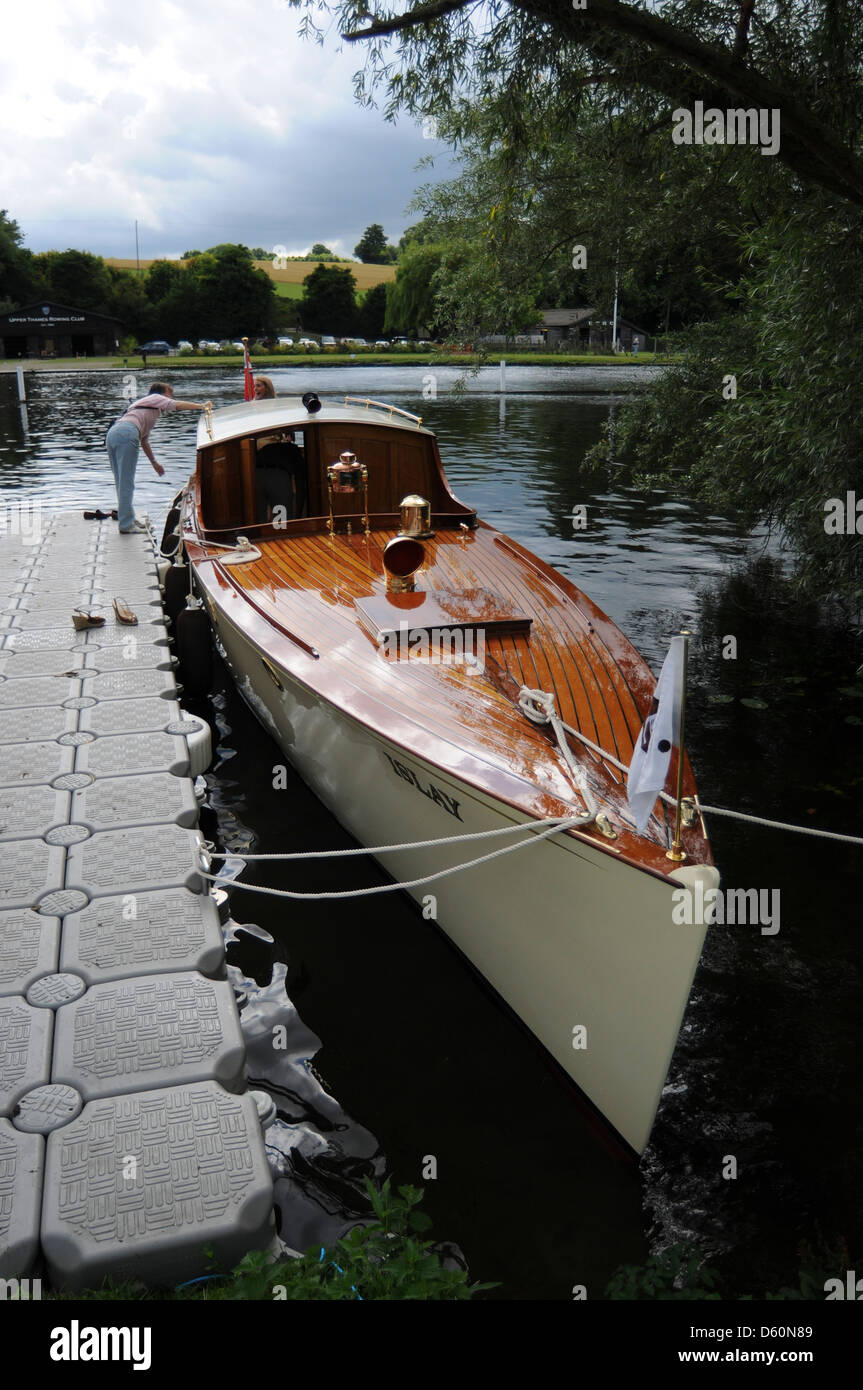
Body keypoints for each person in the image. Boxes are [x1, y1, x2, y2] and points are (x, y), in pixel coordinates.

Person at [106, 382, 211, 533]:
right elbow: (176, 405)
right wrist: (201, 406)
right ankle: (126, 525)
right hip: (127, 433)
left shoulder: (145, 407)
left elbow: (144, 440)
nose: (171, 398)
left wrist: (154, 463)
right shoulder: (155, 397)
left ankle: (126, 517)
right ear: (162, 394)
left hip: (115, 433)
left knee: (121, 481)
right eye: (169, 394)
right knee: (126, 482)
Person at [250, 377, 306, 520]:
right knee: (259, 512)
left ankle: (281, 531)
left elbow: (288, 431)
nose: (255, 389)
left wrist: (286, 436)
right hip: (257, 467)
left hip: (277, 468)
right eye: (254, 386)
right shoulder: (250, 409)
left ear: (267, 388)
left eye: (259, 386)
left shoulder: (278, 408)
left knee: (280, 513)